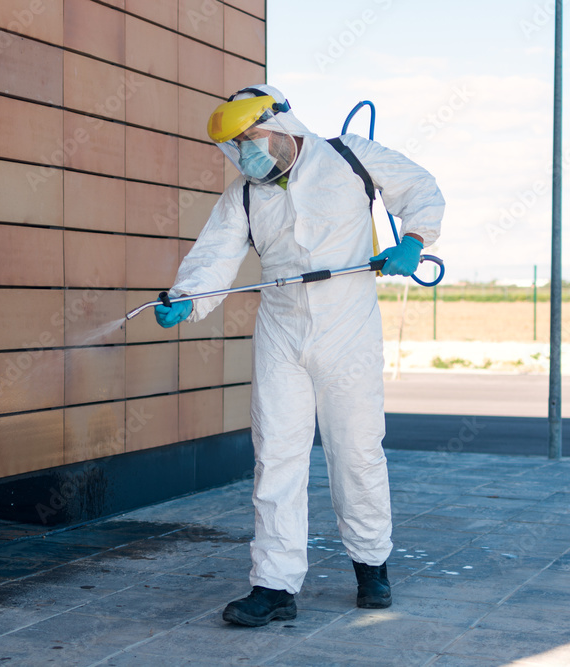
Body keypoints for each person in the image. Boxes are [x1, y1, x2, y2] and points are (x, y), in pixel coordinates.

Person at [153, 84, 444, 627]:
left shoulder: (348, 157)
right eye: (236, 146)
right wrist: (185, 301)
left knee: (356, 452)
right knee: (277, 457)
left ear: (283, 124)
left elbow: (421, 188)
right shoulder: (244, 195)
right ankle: (274, 585)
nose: (247, 153)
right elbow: (213, 260)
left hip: (348, 328)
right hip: (281, 331)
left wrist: (414, 240)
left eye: (251, 138)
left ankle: (371, 564)